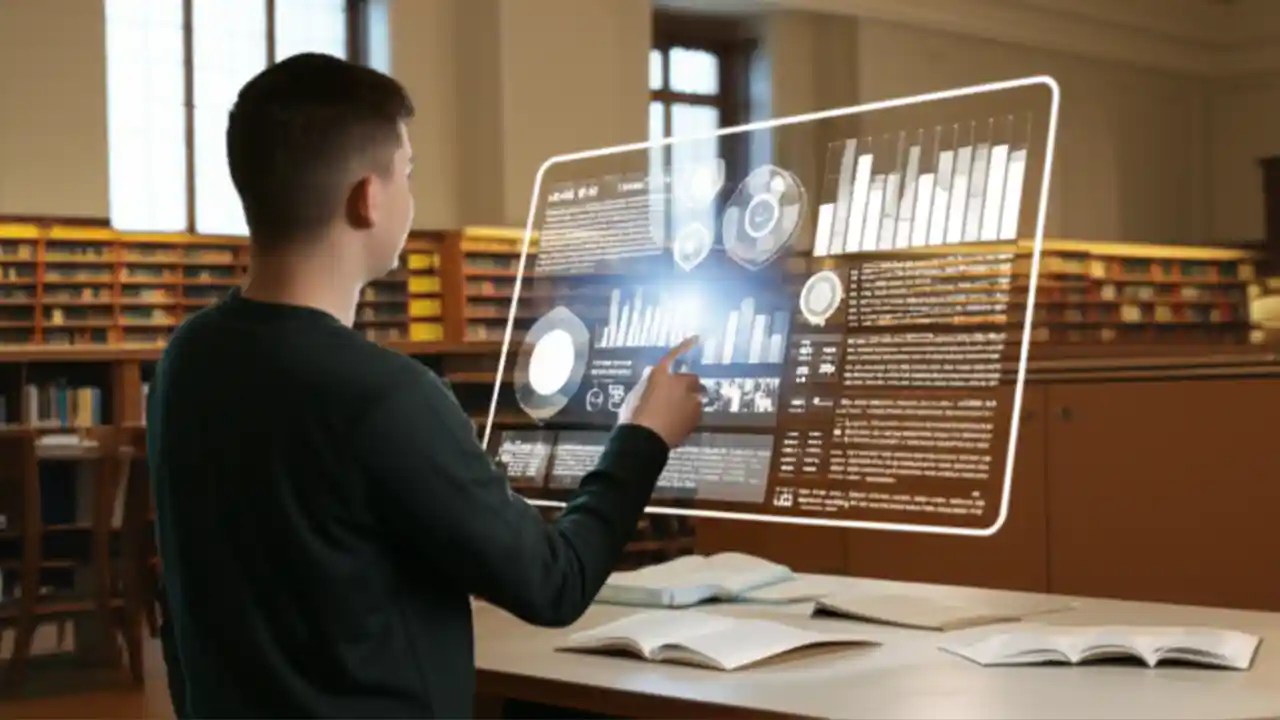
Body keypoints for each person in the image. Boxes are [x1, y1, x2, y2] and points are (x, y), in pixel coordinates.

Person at [147, 53, 703, 719]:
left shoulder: (188, 358)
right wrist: (643, 435)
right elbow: (554, 583)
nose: (411, 195)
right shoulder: (385, 395)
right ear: (368, 197)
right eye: (407, 173)